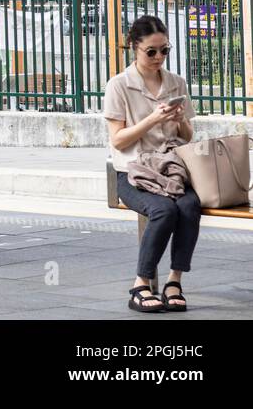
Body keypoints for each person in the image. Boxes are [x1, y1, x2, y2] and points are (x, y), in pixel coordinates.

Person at [105, 15, 199, 313]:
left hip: (171, 169)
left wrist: (179, 119)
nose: (159, 57)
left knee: (188, 207)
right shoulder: (119, 85)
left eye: (164, 50)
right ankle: (141, 284)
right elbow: (118, 140)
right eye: (151, 51)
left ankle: (174, 280)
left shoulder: (175, 83)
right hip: (133, 172)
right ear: (135, 47)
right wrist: (151, 120)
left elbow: (188, 135)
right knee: (164, 210)